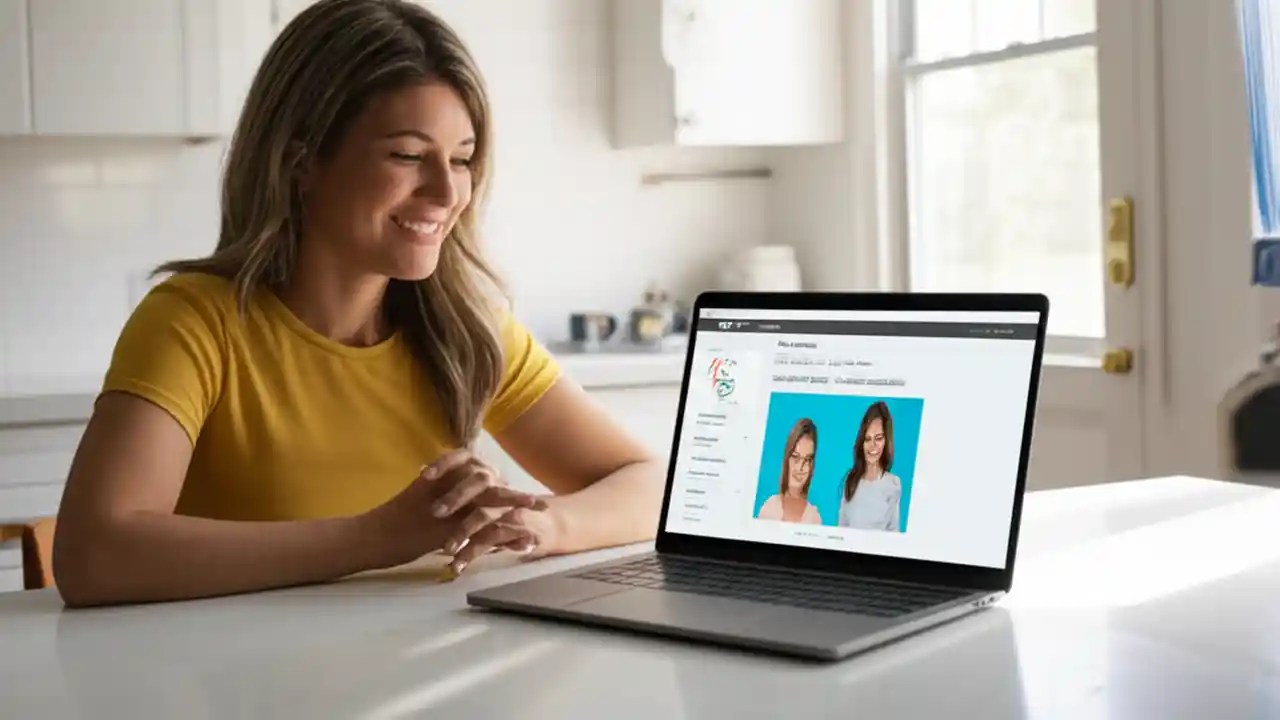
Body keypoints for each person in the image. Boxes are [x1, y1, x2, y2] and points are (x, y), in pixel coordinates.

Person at [51, 0, 663, 607]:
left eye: (462, 158)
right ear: (300, 162)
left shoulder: (468, 332)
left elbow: (655, 486)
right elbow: (94, 556)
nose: (447, 192)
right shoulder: (194, 323)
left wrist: (539, 527)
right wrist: (376, 538)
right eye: (406, 155)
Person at [837, 402, 902, 532]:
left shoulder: (893, 484)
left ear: (886, 441)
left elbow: (893, 533)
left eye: (878, 438)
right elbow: (841, 529)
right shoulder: (850, 480)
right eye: (867, 439)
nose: (872, 445)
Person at [756, 419, 823, 524]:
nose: (800, 467)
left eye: (807, 460)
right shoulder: (769, 508)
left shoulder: (814, 518)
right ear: (787, 459)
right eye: (795, 457)